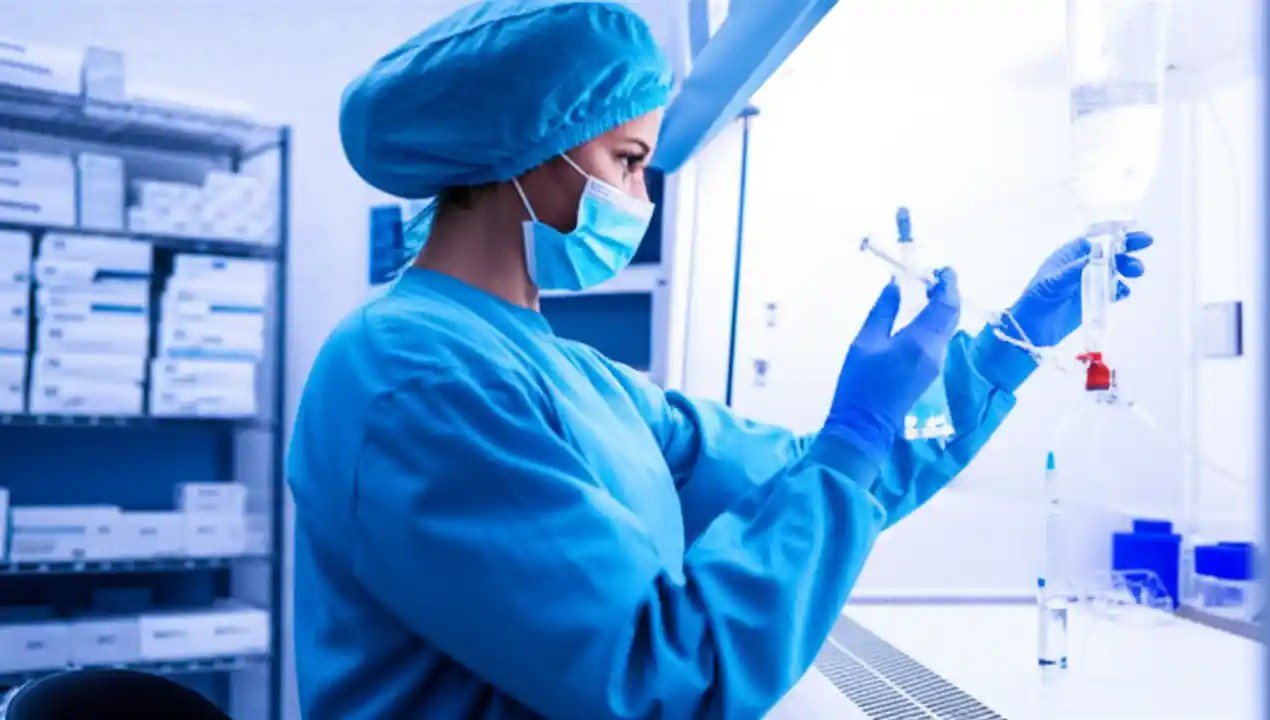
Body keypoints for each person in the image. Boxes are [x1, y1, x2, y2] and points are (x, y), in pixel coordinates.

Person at [288, 1, 1153, 718]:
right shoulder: (416, 376)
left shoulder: (574, 376)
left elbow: (816, 474)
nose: (640, 197)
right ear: (521, 151)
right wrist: (855, 435)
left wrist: (1001, 354)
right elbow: (661, 678)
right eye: (626, 161)